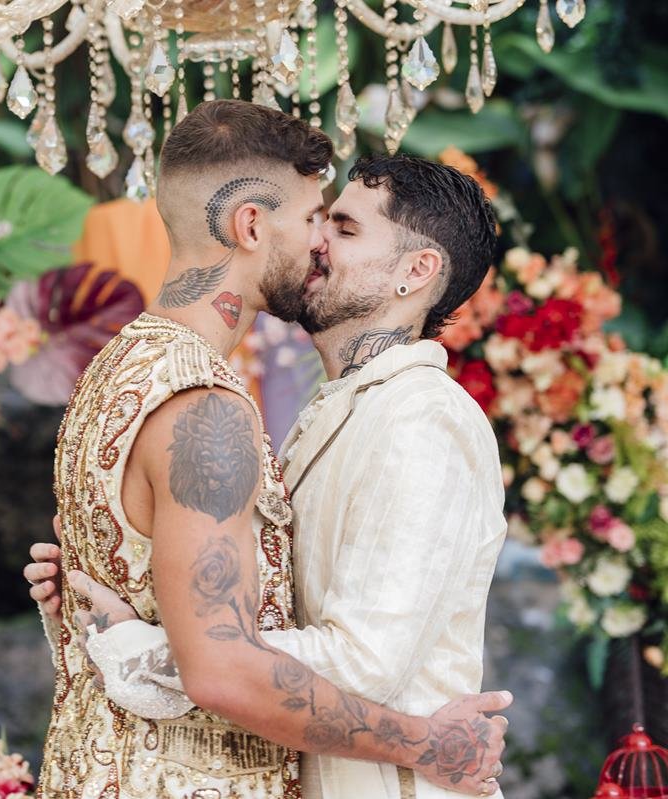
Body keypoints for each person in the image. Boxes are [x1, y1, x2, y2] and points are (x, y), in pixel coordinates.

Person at [32, 100, 509, 799]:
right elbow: (218, 652)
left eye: (340, 227)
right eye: (319, 219)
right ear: (251, 224)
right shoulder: (228, 399)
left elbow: (357, 660)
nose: (318, 243)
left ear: (416, 272)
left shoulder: (422, 419)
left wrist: (140, 643)